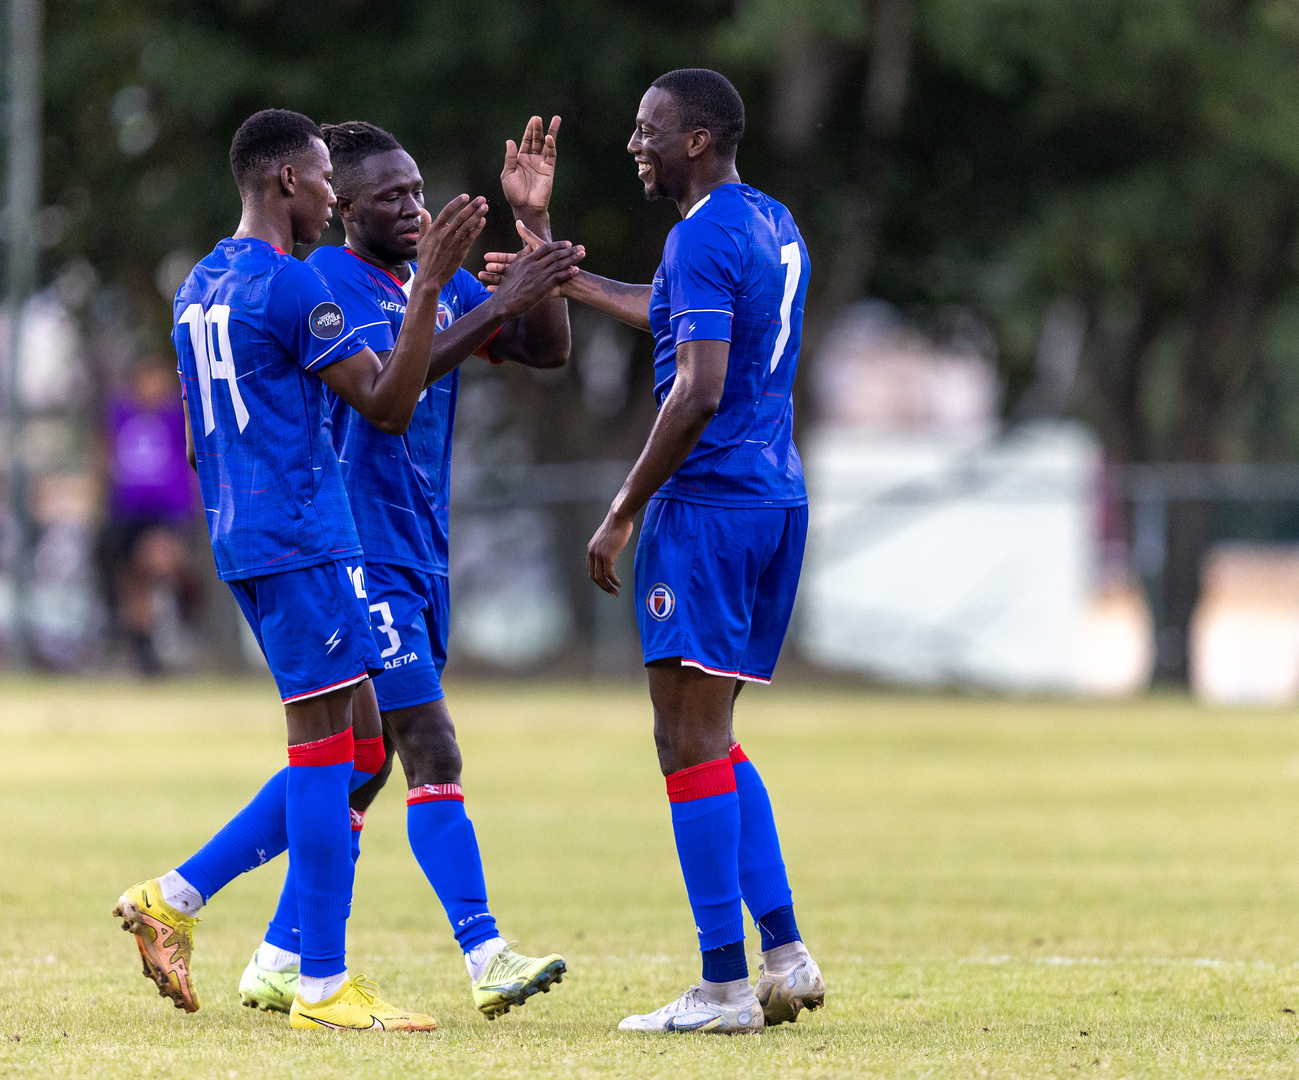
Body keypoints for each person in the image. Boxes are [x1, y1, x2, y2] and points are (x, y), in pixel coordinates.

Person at [112, 107, 488, 1033]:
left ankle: (180, 895)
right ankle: (320, 982)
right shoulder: (292, 290)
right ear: (287, 182)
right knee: (326, 753)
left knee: (362, 748)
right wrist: (429, 285)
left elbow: (204, 444)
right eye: (323, 178)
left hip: (244, 536)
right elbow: (389, 405)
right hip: (302, 540)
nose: (331, 193)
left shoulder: (199, 283)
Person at [482, 68, 827, 1035]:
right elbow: (672, 309)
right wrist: (548, 256)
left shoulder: (701, 232)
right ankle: (785, 957)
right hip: (773, 498)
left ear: (695, 141)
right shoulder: (767, 221)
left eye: (648, 130)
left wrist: (623, 507)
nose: (633, 142)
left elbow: (697, 389)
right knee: (713, 736)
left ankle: (723, 989)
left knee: (684, 742)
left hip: (708, 505)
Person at [232, 117, 586, 1021]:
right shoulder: (326, 284)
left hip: (423, 546)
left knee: (362, 768)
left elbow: (546, 350)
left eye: (419, 189)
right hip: (361, 550)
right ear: (338, 204)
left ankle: (277, 952)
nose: (416, 208)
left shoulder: (426, 279)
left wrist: (532, 232)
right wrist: (480, 306)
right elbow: (392, 386)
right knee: (430, 747)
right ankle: (485, 952)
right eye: (392, 196)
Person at [102, 357, 202, 675]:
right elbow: (106, 457)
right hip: (128, 511)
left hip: (167, 511)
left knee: (158, 559)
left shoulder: (176, 415)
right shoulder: (120, 413)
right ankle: (143, 652)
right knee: (134, 583)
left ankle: (185, 612)